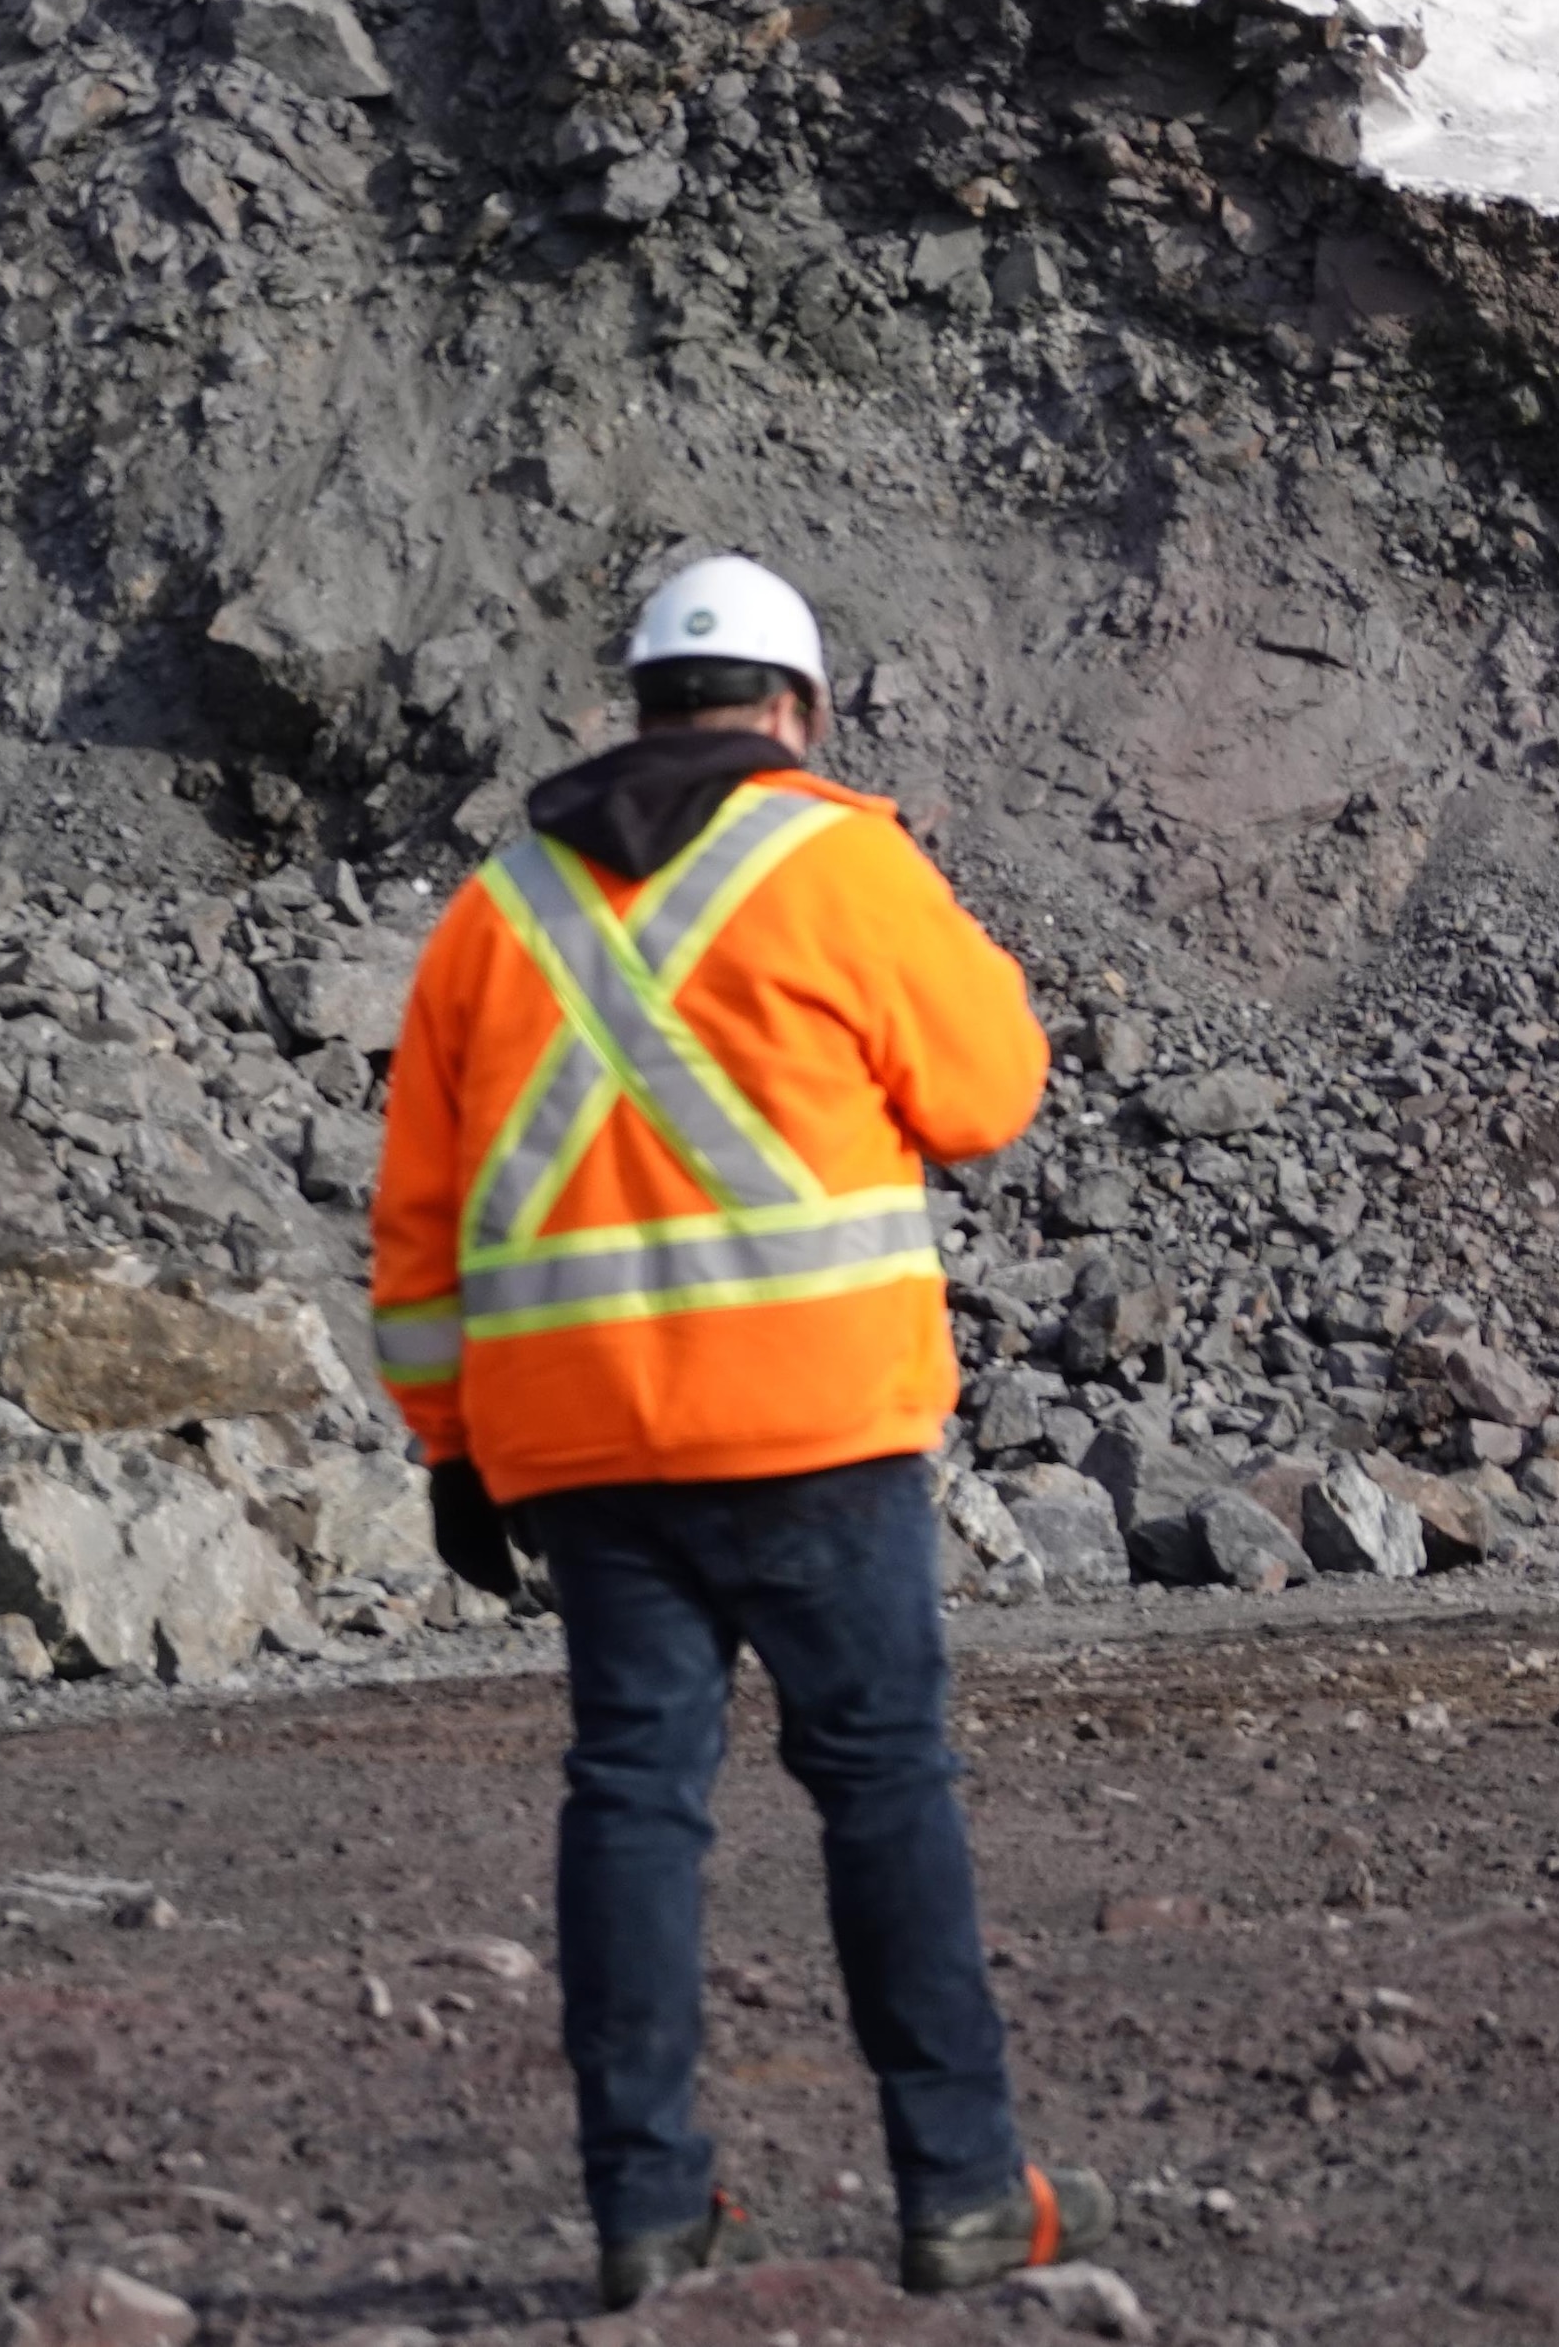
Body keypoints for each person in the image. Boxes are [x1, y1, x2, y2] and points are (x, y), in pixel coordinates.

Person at [366, 555, 1104, 2310]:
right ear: (799, 708)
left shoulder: (499, 910)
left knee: (632, 1799)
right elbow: (991, 1094)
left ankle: (646, 2212)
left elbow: (416, 1219)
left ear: (640, 706)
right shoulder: (841, 857)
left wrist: (446, 1445)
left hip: (581, 1448)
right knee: (880, 1790)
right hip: (814, 1429)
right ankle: (965, 2191)